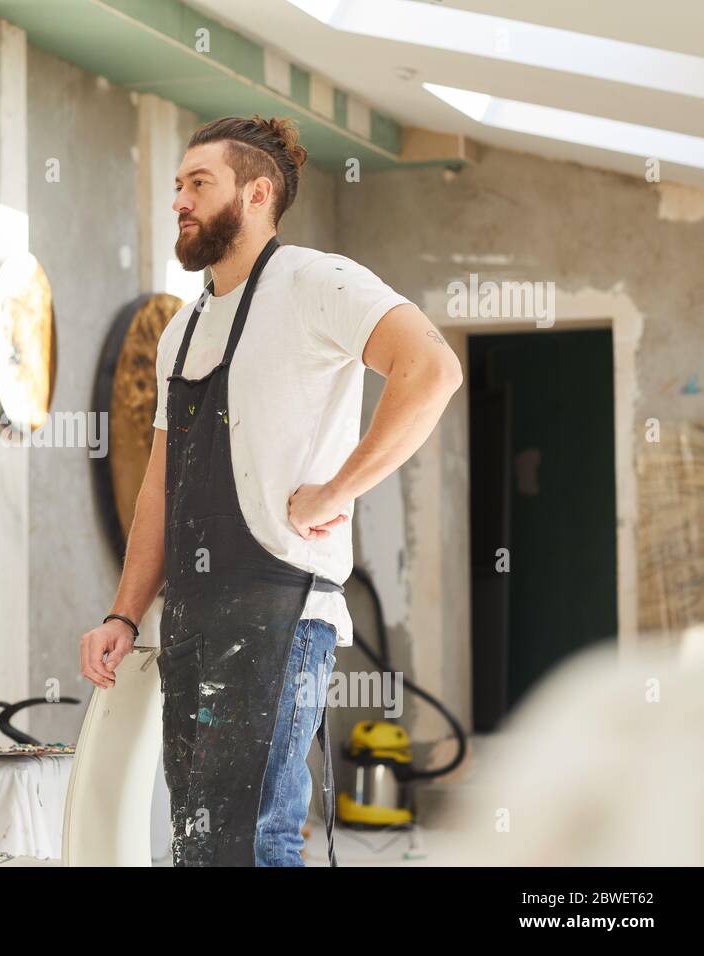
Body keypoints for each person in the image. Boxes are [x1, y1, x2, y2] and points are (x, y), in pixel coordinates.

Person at [80, 115, 462, 866]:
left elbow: (432, 369)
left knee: (254, 837)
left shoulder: (318, 282)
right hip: (190, 618)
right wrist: (125, 611)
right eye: (177, 186)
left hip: (280, 608)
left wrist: (334, 491)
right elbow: (162, 484)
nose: (179, 202)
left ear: (257, 194)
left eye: (199, 184)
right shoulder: (181, 330)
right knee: (200, 844)